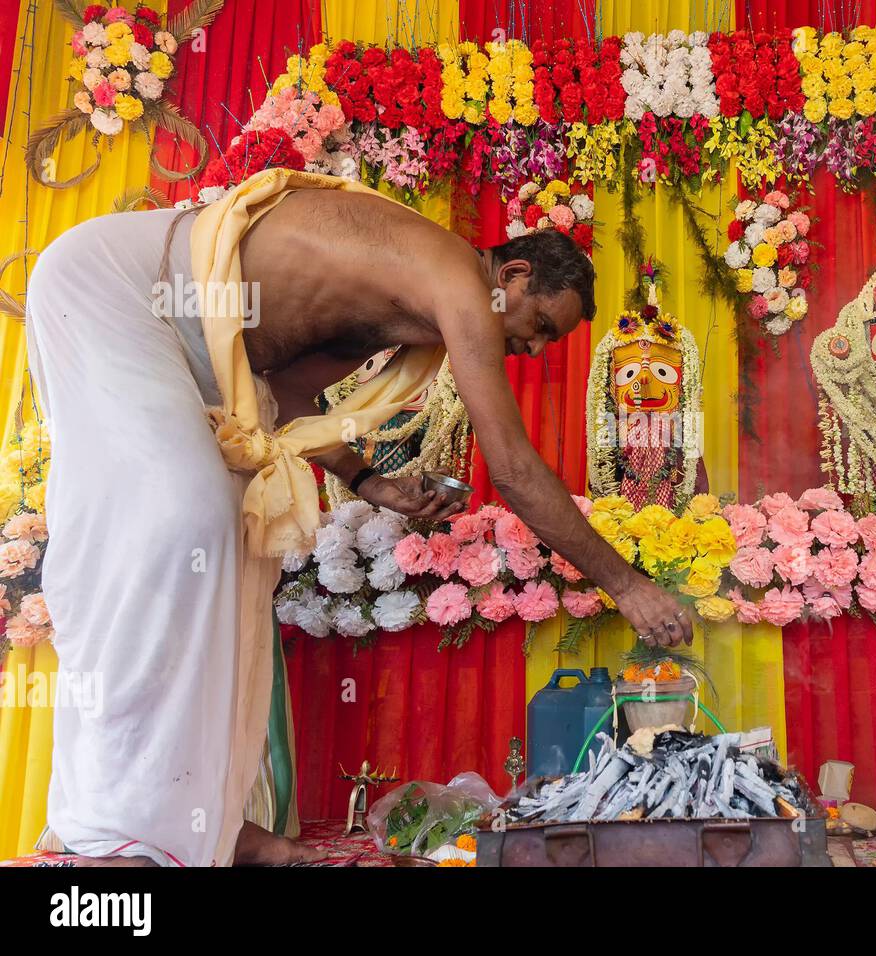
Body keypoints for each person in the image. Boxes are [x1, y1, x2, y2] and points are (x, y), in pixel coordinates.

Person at [24, 169, 691, 867]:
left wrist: (373, 483)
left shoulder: (411, 316)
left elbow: (282, 398)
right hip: (116, 292)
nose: (532, 349)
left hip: (203, 354)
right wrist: (628, 584)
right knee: (184, 523)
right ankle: (108, 826)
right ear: (513, 275)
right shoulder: (459, 280)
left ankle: (210, 822)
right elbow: (516, 470)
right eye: (540, 326)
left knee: (240, 549)